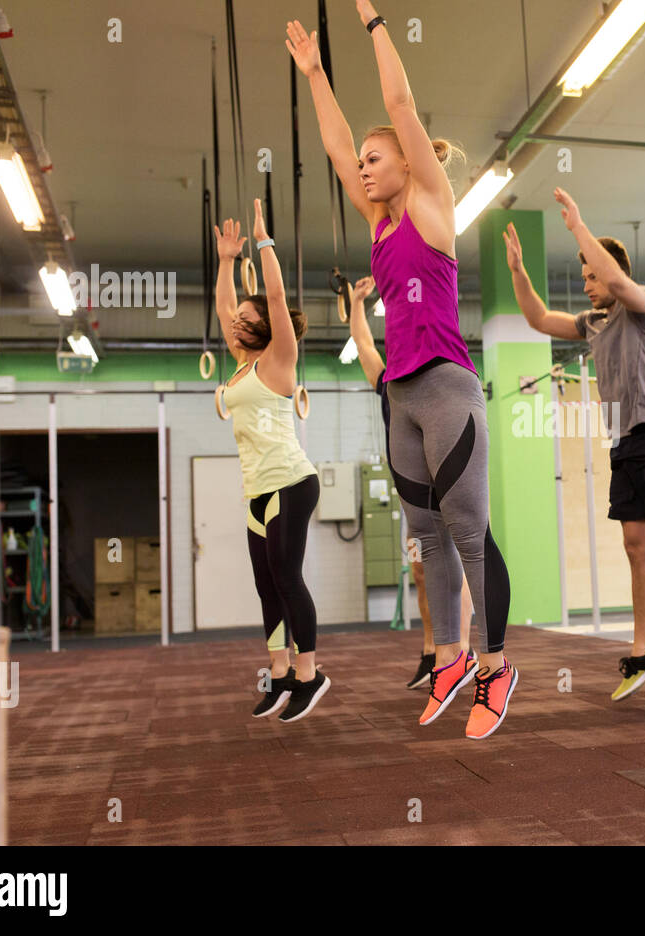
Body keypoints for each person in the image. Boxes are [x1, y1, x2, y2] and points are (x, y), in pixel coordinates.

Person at [288, 3, 515, 739]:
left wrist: (374, 23)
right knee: (425, 534)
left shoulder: (427, 202)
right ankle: (447, 655)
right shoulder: (379, 222)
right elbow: (330, 145)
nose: (363, 163)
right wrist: (316, 75)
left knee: (469, 530)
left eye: (374, 156)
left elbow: (397, 102)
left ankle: (496, 666)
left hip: (447, 383)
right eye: (364, 160)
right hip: (401, 394)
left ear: (406, 164)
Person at [502, 188, 645, 704]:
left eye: (591, 276)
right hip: (623, 443)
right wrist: (518, 272)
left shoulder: (644, 307)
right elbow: (537, 319)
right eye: (583, 278)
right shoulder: (592, 323)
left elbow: (620, 281)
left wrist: (579, 225)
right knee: (635, 545)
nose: (587, 285)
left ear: (611, 271)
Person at [214, 203, 329, 723]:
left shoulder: (279, 361)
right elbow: (223, 307)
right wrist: (224, 261)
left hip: (292, 481)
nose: (236, 322)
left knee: (287, 576)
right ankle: (279, 674)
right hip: (257, 491)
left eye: (246, 319)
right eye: (236, 319)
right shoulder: (239, 368)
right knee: (266, 586)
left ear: (264, 330)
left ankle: (310, 675)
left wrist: (263, 245)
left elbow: (277, 297)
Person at [342, 275, 473, 687]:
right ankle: (431, 651)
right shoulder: (387, 387)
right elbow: (364, 345)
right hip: (412, 491)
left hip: (447, 481)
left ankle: (464, 653)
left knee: (457, 560)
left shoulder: (438, 382)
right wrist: (357, 303)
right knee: (421, 568)